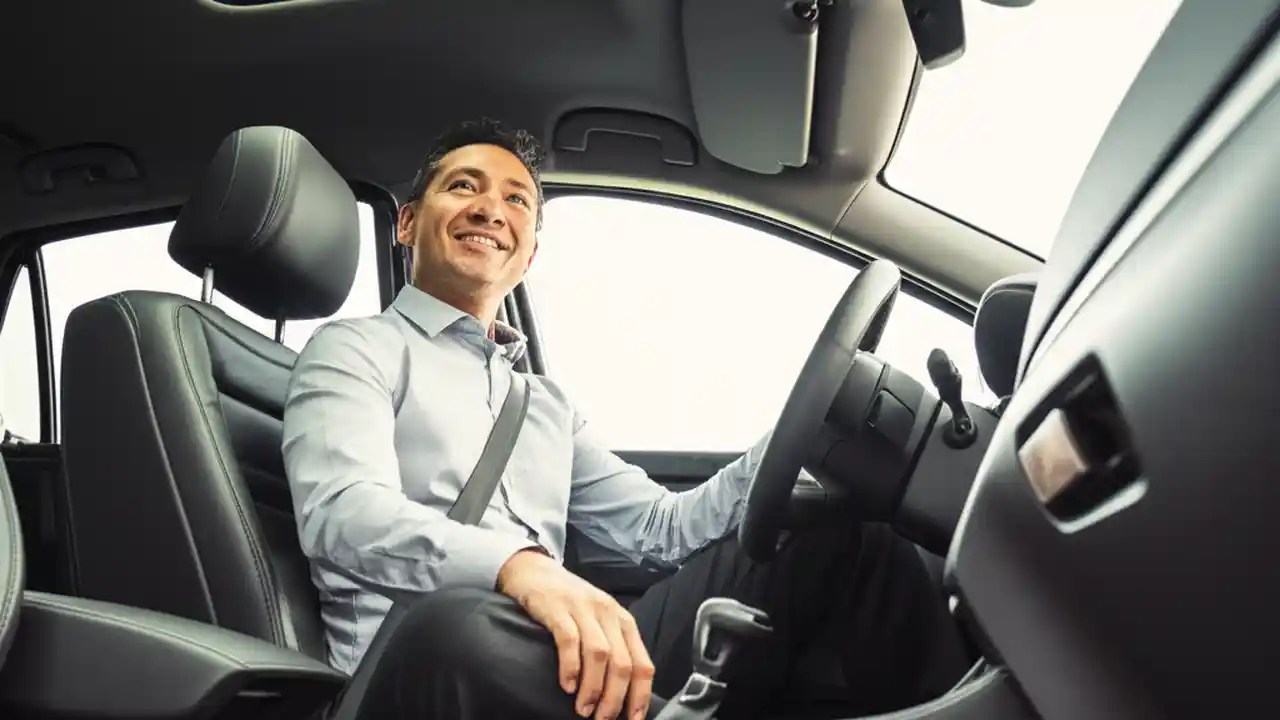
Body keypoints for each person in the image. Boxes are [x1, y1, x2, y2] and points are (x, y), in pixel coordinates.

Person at [281, 118, 969, 720]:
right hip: (431, 666)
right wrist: (518, 568)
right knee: (460, 626)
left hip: (564, 660)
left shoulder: (545, 405)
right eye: (463, 187)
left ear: (529, 253)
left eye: (516, 199)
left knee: (849, 535)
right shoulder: (355, 349)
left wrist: (804, 429)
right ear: (407, 223)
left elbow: (661, 531)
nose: (491, 208)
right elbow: (342, 514)